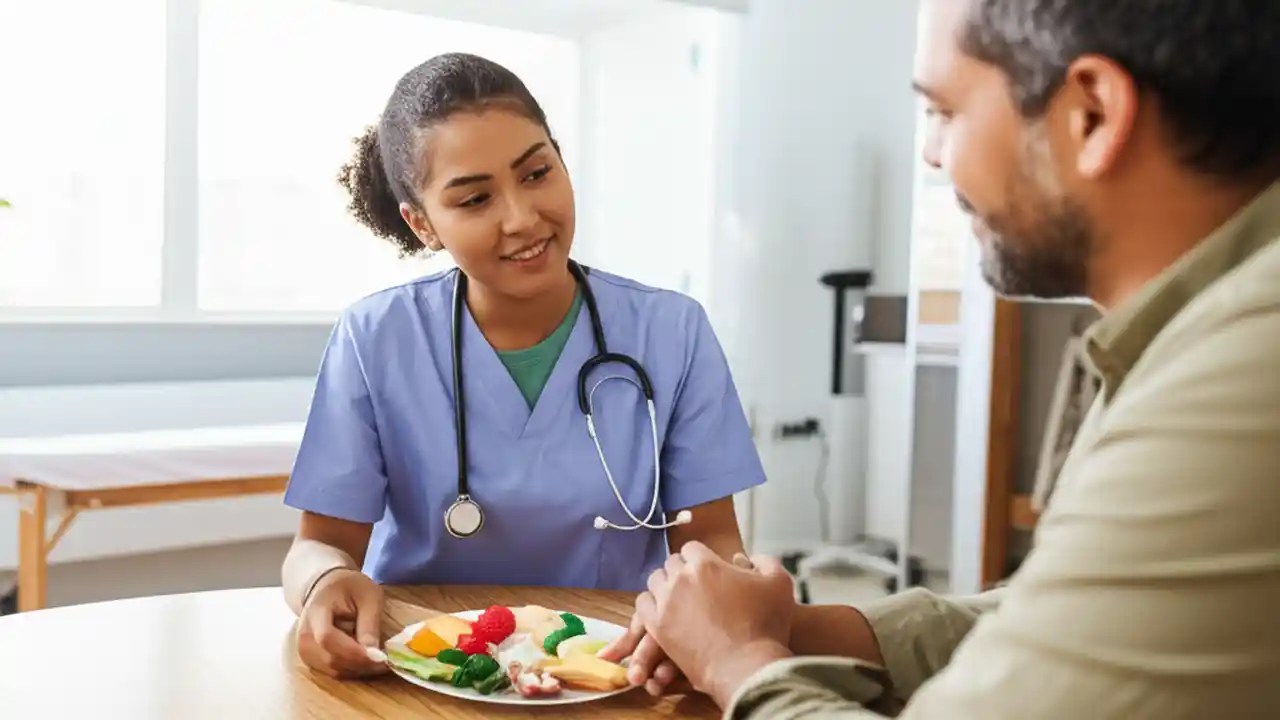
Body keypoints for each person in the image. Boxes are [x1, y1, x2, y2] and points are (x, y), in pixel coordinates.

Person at [603, 0, 1280, 716]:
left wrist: (741, 663)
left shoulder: (1242, 372)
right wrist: (794, 633)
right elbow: (1067, 619)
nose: (929, 153)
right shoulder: (1190, 332)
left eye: (945, 112)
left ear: (1092, 115)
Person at [280, 53, 765, 678]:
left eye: (537, 173)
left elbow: (712, 544)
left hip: (613, 669)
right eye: (476, 198)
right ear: (422, 223)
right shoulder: (376, 338)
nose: (523, 218)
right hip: (420, 668)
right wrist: (323, 583)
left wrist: (724, 606)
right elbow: (317, 545)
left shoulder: (671, 332)